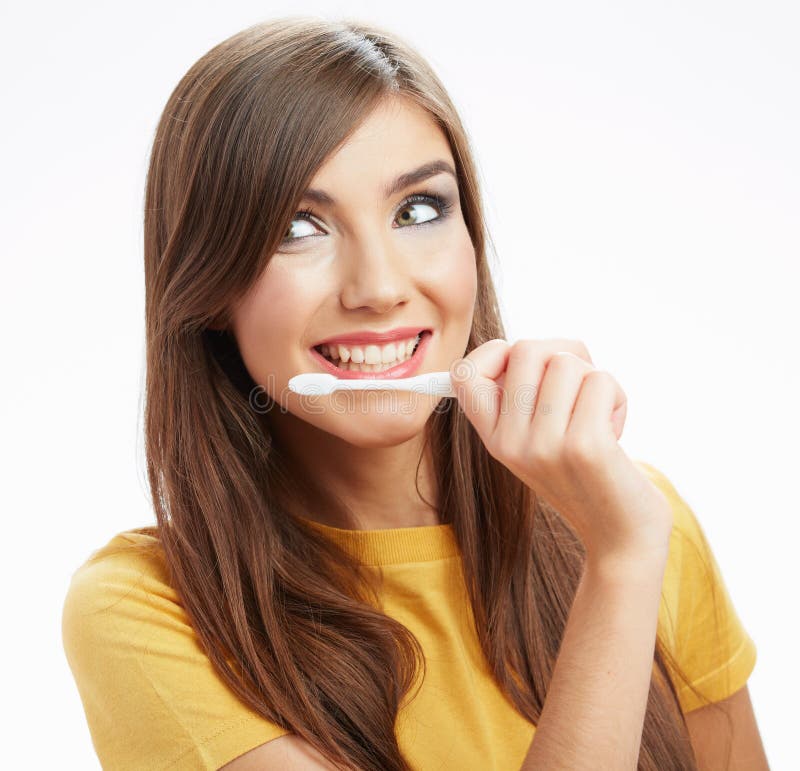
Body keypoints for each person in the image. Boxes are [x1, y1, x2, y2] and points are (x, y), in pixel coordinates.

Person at [61, 15, 768, 771]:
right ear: (209, 287)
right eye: (300, 226)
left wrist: (623, 544)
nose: (381, 287)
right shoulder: (144, 610)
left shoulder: (632, 513)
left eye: (418, 210)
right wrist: (622, 565)